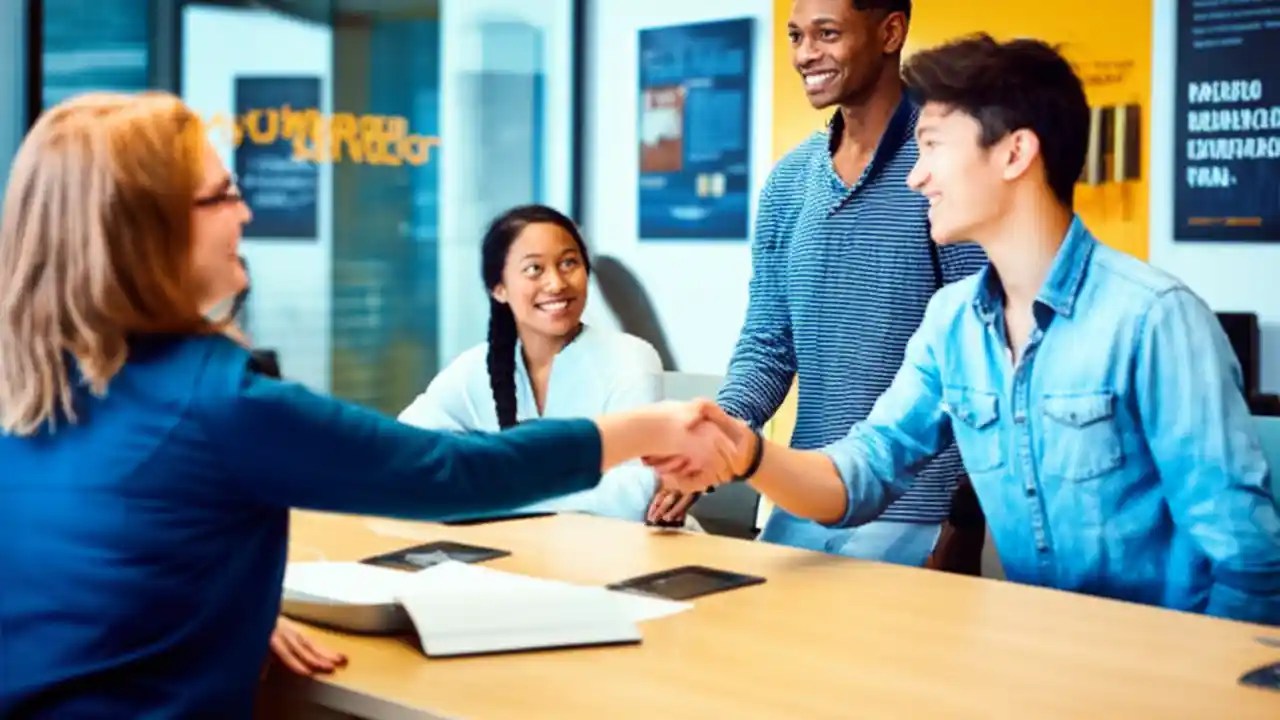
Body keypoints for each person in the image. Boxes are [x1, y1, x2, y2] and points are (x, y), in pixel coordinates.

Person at [0, 91, 732, 717]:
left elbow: (92, 570)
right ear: (149, 229)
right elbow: (445, 471)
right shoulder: (220, 404)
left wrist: (236, 615)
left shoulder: (32, 383)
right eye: (222, 194)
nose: (248, 210)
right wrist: (642, 429)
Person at [677, 35, 1280, 624]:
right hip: (1032, 663)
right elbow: (863, 472)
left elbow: (1249, 566)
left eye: (934, 147)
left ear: (1015, 154)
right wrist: (744, 451)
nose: (917, 176)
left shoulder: (1156, 321)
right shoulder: (952, 322)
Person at [653, 0, 988, 566]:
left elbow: (978, 356)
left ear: (890, 31)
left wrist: (964, 519)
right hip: (806, 496)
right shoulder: (789, 182)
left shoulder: (941, 173)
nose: (806, 54)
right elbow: (767, 346)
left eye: (827, 34)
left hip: (918, 511)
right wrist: (718, 440)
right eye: (795, 36)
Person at [398, 204, 665, 523]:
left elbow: (636, 492)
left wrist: (490, 484)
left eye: (569, 263)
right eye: (534, 269)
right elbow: (406, 457)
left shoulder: (630, 358)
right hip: (517, 550)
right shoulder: (474, 368)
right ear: (499, 288)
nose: (556, 283)